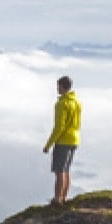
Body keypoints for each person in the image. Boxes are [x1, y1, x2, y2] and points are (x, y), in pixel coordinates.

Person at [43, 75, 82, 205]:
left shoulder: (61, 104)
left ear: (62, 87)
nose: (57, 89)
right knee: (66, 170)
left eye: (58, 86)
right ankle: (63, 197)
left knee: (59, 170)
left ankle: (57, 199)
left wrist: (48, 145)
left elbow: (59, 127)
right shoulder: (76, 102)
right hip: (74, 140)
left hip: (63, 141)